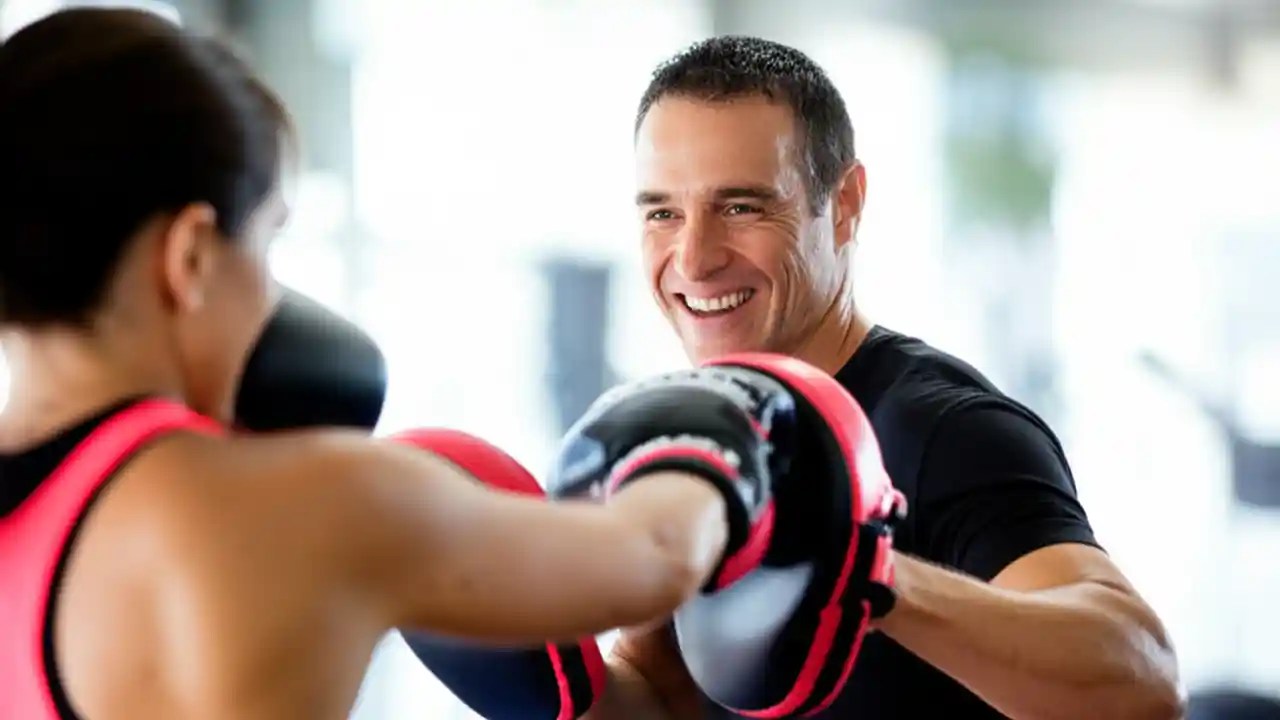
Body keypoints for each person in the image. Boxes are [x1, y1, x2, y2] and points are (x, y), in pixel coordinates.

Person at [0, 11, 806, 720]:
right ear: (191, 257)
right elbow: (652, 559)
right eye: (266, 245)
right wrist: (713, 440)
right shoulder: (306, 502)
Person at [595, 36, 1185, 719]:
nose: (693, 260)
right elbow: (661, 695)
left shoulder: (946, 431)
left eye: (742, 207)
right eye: (662, 212)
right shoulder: (694, 434)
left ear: (844, 203)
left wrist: (864, 573)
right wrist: (541, 676)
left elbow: (1143, 684)